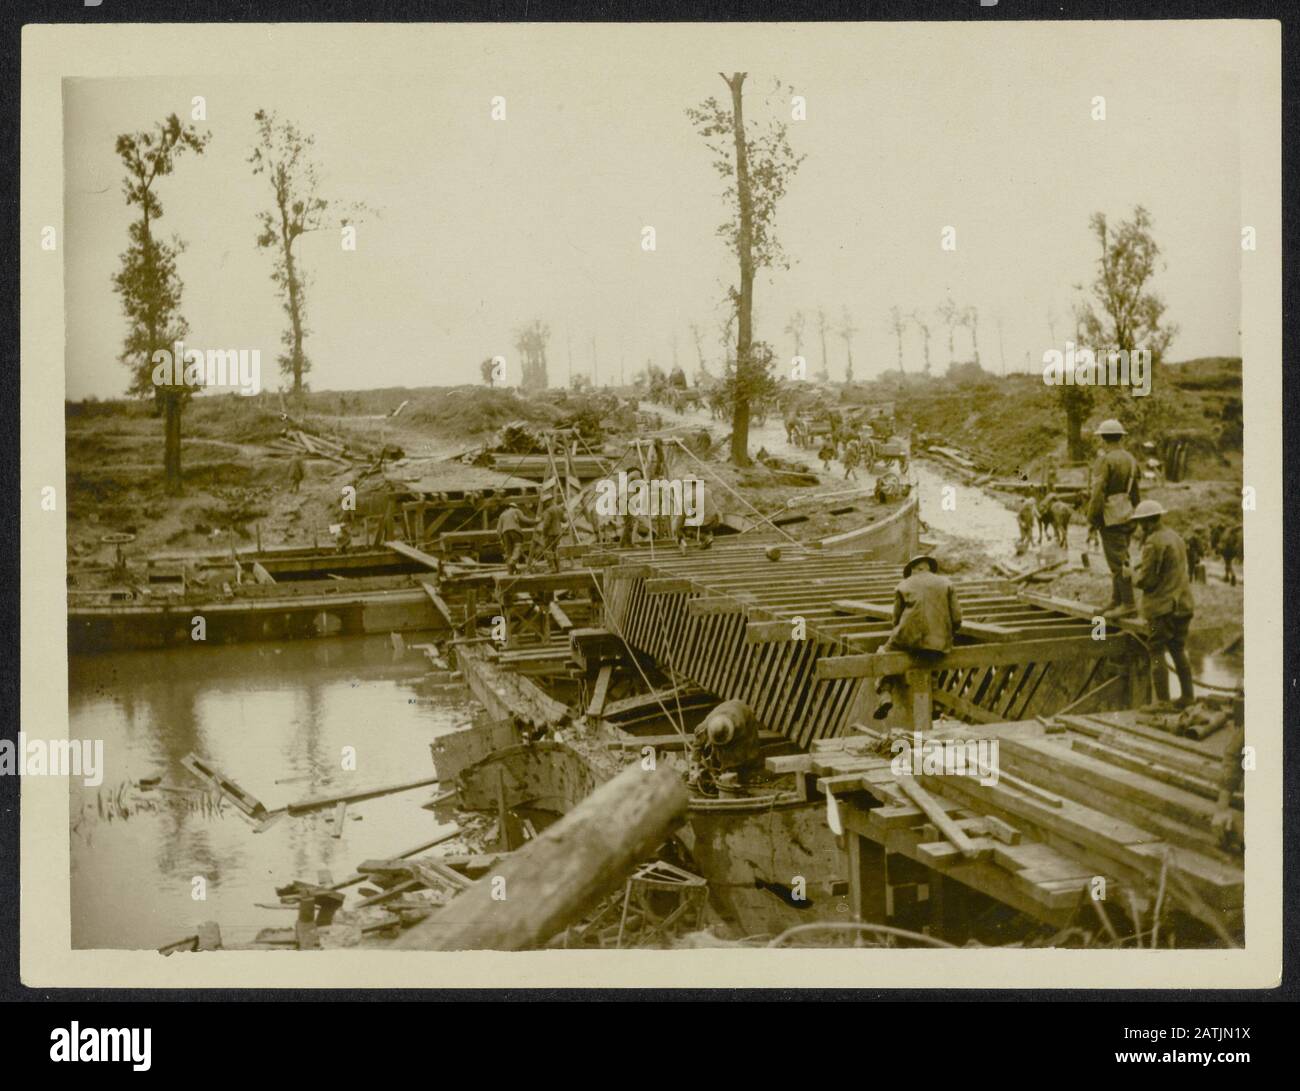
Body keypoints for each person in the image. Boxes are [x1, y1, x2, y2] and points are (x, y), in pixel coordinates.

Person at [873, 554, 962, 720]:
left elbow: (895, 620)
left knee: (885, 654)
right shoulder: (947, 583)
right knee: (934, 657)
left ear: (913, 569)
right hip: (939, 642)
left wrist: (905, 634)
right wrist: (947, 634)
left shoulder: (903, 585)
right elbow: (957, 618)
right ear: (928, 567)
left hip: (908, 639)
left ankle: (885, 693)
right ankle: (934, 703)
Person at [1129, 500, 1195, 710]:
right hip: (1182, 605)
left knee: (1156, 649)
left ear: (1147, 522)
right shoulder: (1175, 537)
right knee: (1177, 649)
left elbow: (1147, 582)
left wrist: (1131, 575)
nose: (1139, 527)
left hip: (1162, 609)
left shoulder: (1153, 542)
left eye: (1140, 523)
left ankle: (1163, 702)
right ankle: (1187, 697)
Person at [1087, 419, 1141, 618]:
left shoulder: (1105, 460)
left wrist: (1093, 519)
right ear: (1121, 437)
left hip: (1110, 517)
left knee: (1117, 562)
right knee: (1121, 558)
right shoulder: (1130, 459)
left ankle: (1128, 604)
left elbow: (1098, 492)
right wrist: (1137, 513)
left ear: (1103, 438)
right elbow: (1135, 490)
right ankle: (1116, 600)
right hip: (1128, 513)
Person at [496, 503, 536, 575]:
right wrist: (535, 521)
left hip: (505, 533)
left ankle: (510, 571)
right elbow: (524, 520)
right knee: (518, 546)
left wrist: (501, 539)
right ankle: (513, 560)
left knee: (509, 552)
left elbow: (498, 529)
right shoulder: (516, 511)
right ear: (515, 507)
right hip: (515, 531)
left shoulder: (502, 515)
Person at [531, 497, 567, 573]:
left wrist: (544, 533)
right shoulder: (559, 509)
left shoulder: (548, 511)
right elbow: (564, 520)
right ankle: (558, 568)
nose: (543, 505)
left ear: (547, 502)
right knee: (555, 549)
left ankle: (552, 568)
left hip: (550, 534)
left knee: (547, 550)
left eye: (544, 503)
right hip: (558, 533)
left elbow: (546, 524)